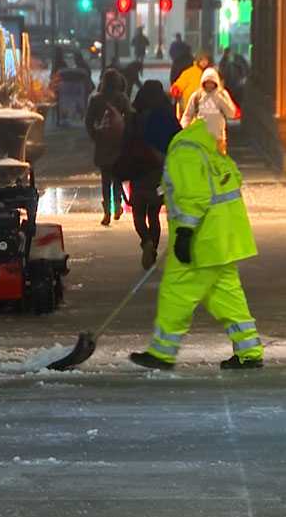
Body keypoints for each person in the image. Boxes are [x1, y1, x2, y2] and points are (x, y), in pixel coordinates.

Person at [129, 118, 263, 371]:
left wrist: (186, 233)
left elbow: (195, 195)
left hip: (203, 240)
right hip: (224, 238)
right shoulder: (208, 151)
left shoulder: (184, 151)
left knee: (176, 292)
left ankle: (162, 352)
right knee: (226, 294)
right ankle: (249, 351)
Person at [117, 80, 181, 269]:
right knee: (154, 213)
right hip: (159, 171)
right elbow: (178, 137)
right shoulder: (166, 115)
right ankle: (152, 247)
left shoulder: (134, 117)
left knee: (138, 213)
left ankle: (146, 241)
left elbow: (124, 140)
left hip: (138, 170)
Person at [85, 69, 132, 226]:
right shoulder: (122, 98)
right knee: (117, 175)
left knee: (105, 179)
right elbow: (131, 116)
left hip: (103, 141)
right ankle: (117, 205)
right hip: (118, 142)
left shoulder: (96, 99)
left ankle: (106, 212)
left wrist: (95, 135)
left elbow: (88, 120)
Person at [180, 68, 238, 154]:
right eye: (207, 82)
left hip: (218, 138)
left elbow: (231, 114)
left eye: (212, 82)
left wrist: (220, 99)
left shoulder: (222, 94)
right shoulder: (197, 96)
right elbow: (188, 115)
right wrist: (184, 128)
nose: (209, 85)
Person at [171, 52, 211, 117]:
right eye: (201, 60)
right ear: (197, 60)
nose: (204, 62)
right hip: (190, 108)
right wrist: (176, 89)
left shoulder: (211, 73)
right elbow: (181, 82)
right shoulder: (190, 72)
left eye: (205, 60)